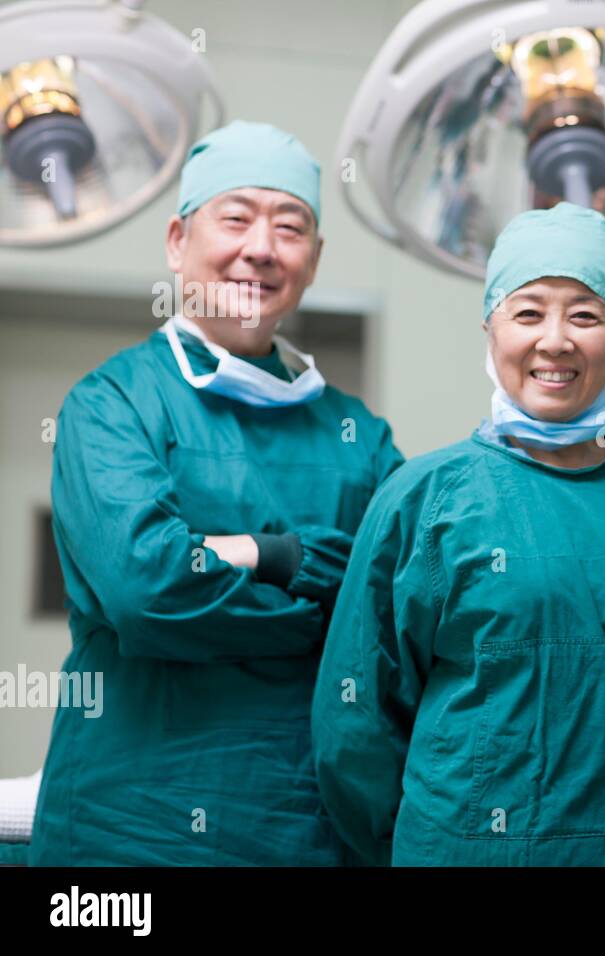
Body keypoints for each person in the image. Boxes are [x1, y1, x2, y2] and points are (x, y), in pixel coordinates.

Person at [29, 121, 404, 865]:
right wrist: (304, 570)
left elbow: (388, 615)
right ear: (177, 242)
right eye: (234, 218)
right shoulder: (113, 404)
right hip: (126, 837)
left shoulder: (361, 438)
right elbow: (146, 591)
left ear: (314, 258)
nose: (261, 248)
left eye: (289, 226)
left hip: (305, 828)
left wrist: (254, 556)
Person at [312, 203, 605, 866]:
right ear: (490, 330)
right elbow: (357, 726)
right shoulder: (425, 501)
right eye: (528, 312)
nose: (555, 340)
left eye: (585, 313)